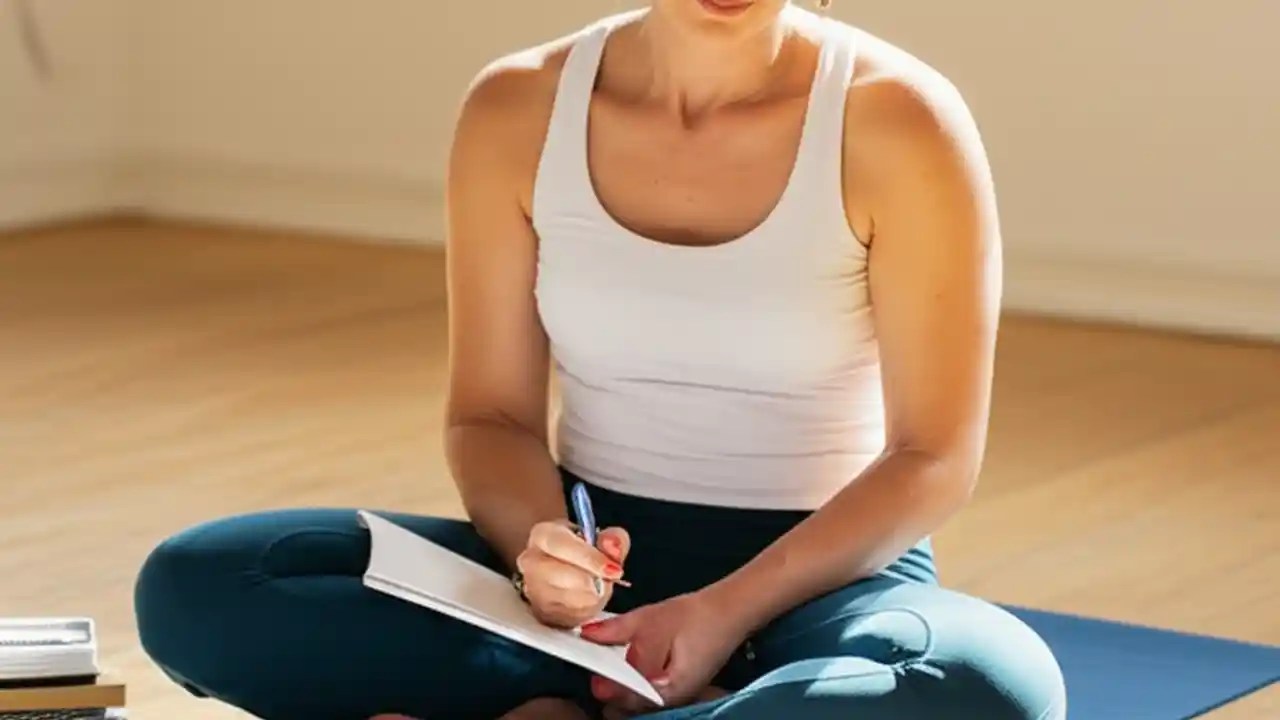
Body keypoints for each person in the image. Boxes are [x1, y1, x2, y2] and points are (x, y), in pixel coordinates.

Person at [134, 1, 1067, 718]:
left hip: (821, 594)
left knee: (986, 684)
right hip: (578, 602)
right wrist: (542, 552)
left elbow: (933, 457)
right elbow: (490, 416)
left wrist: (721, 614)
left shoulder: (901, 122)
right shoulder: (519, 105)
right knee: (205, 584)